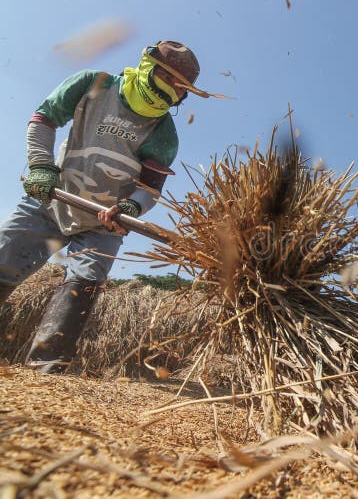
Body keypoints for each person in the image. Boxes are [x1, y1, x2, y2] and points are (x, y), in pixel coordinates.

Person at [0, 41, 208, 374]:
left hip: (105, 222)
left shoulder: (164, 131)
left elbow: (150, 189)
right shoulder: (94, 84)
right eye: (169, 80)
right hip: (54, 198)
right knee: (6, 256)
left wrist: (131, 208)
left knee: (86, 280)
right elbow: (44, 118)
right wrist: (40, 165)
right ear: (146, 66)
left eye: (181, 90)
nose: (173, 92)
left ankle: (44, 370)